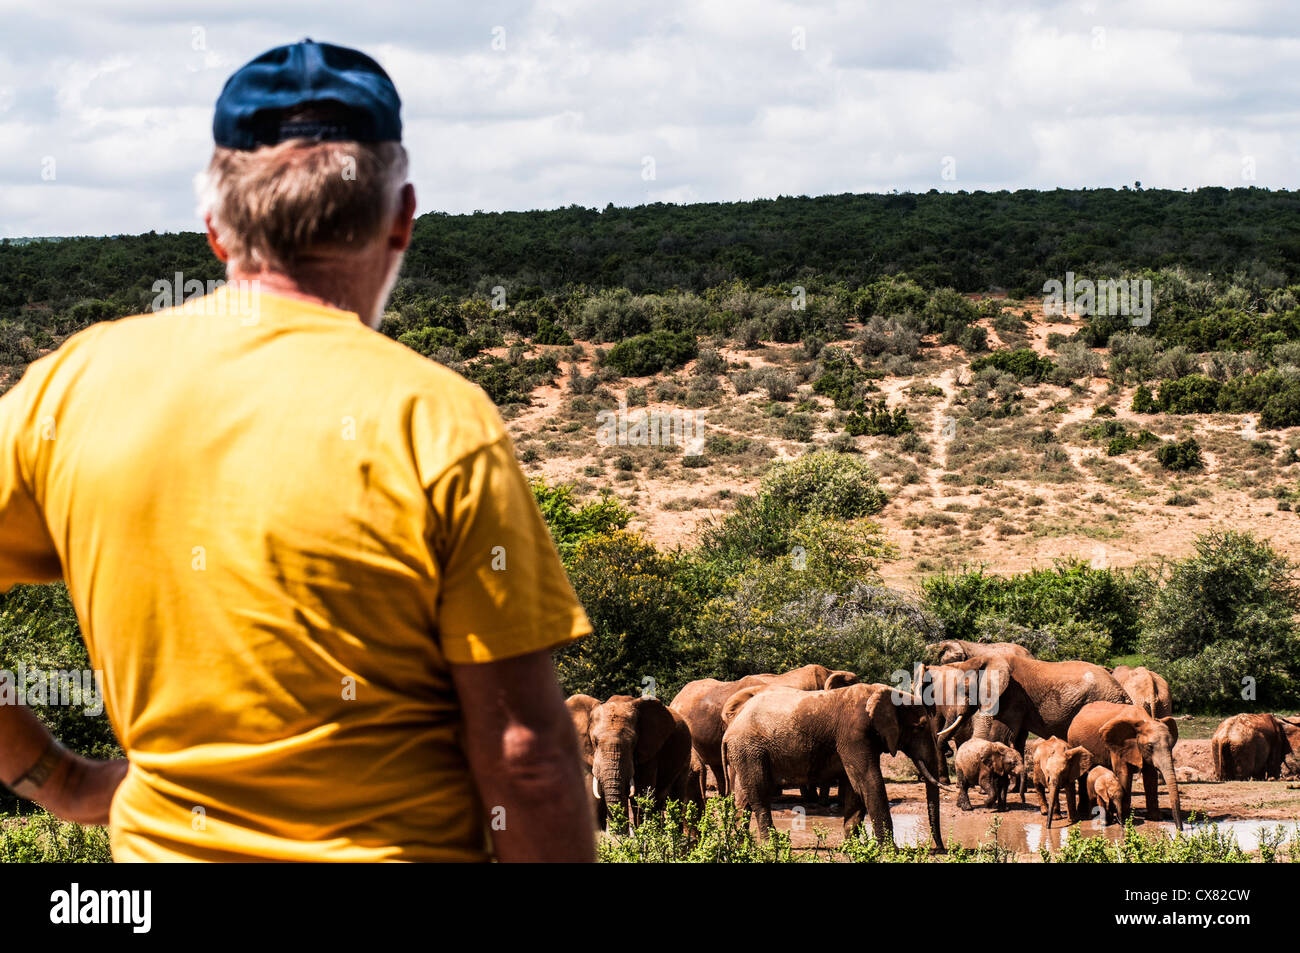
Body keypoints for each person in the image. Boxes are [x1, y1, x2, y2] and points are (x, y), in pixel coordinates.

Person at [0, 39, 595, 862]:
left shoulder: (66, 391)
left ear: (214, 225)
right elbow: (526, 758)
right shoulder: (438, 421)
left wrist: (58, 780)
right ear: (402, 215)